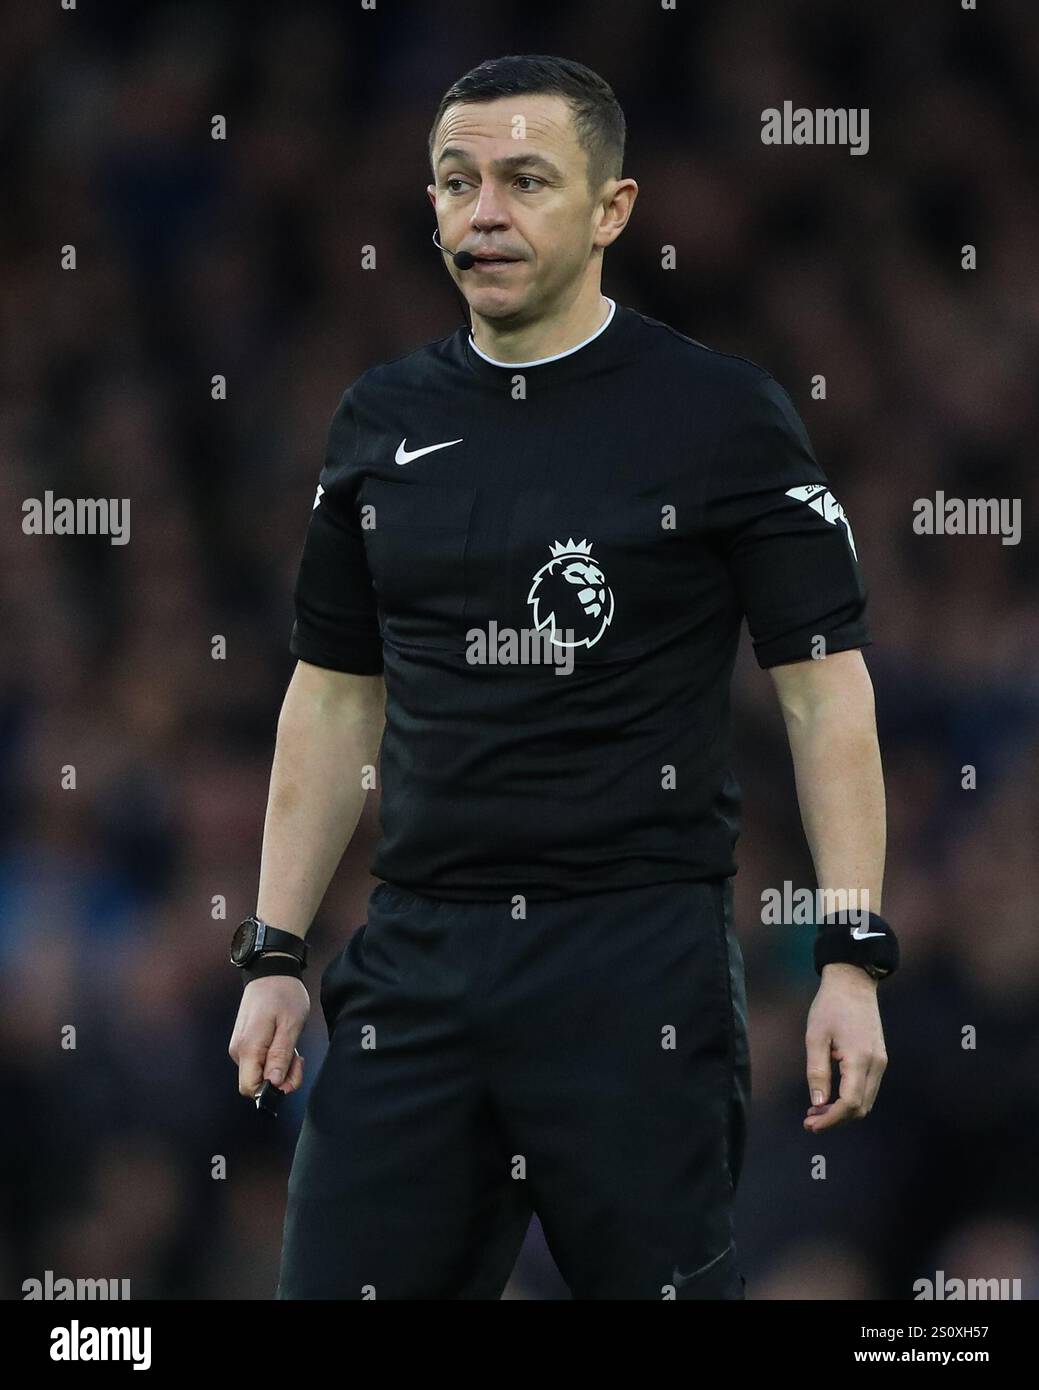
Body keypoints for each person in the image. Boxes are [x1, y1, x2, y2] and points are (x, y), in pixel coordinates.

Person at [227, 54, 897, 1300]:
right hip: (416, 957)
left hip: (636, 962)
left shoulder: (721, 418)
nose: (484, 211)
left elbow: (823, 690)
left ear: (611, 209)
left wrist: (850, 958)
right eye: (456, 181)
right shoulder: (377, 421)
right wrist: (272, 948)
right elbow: (332, 693)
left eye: (526, 181)